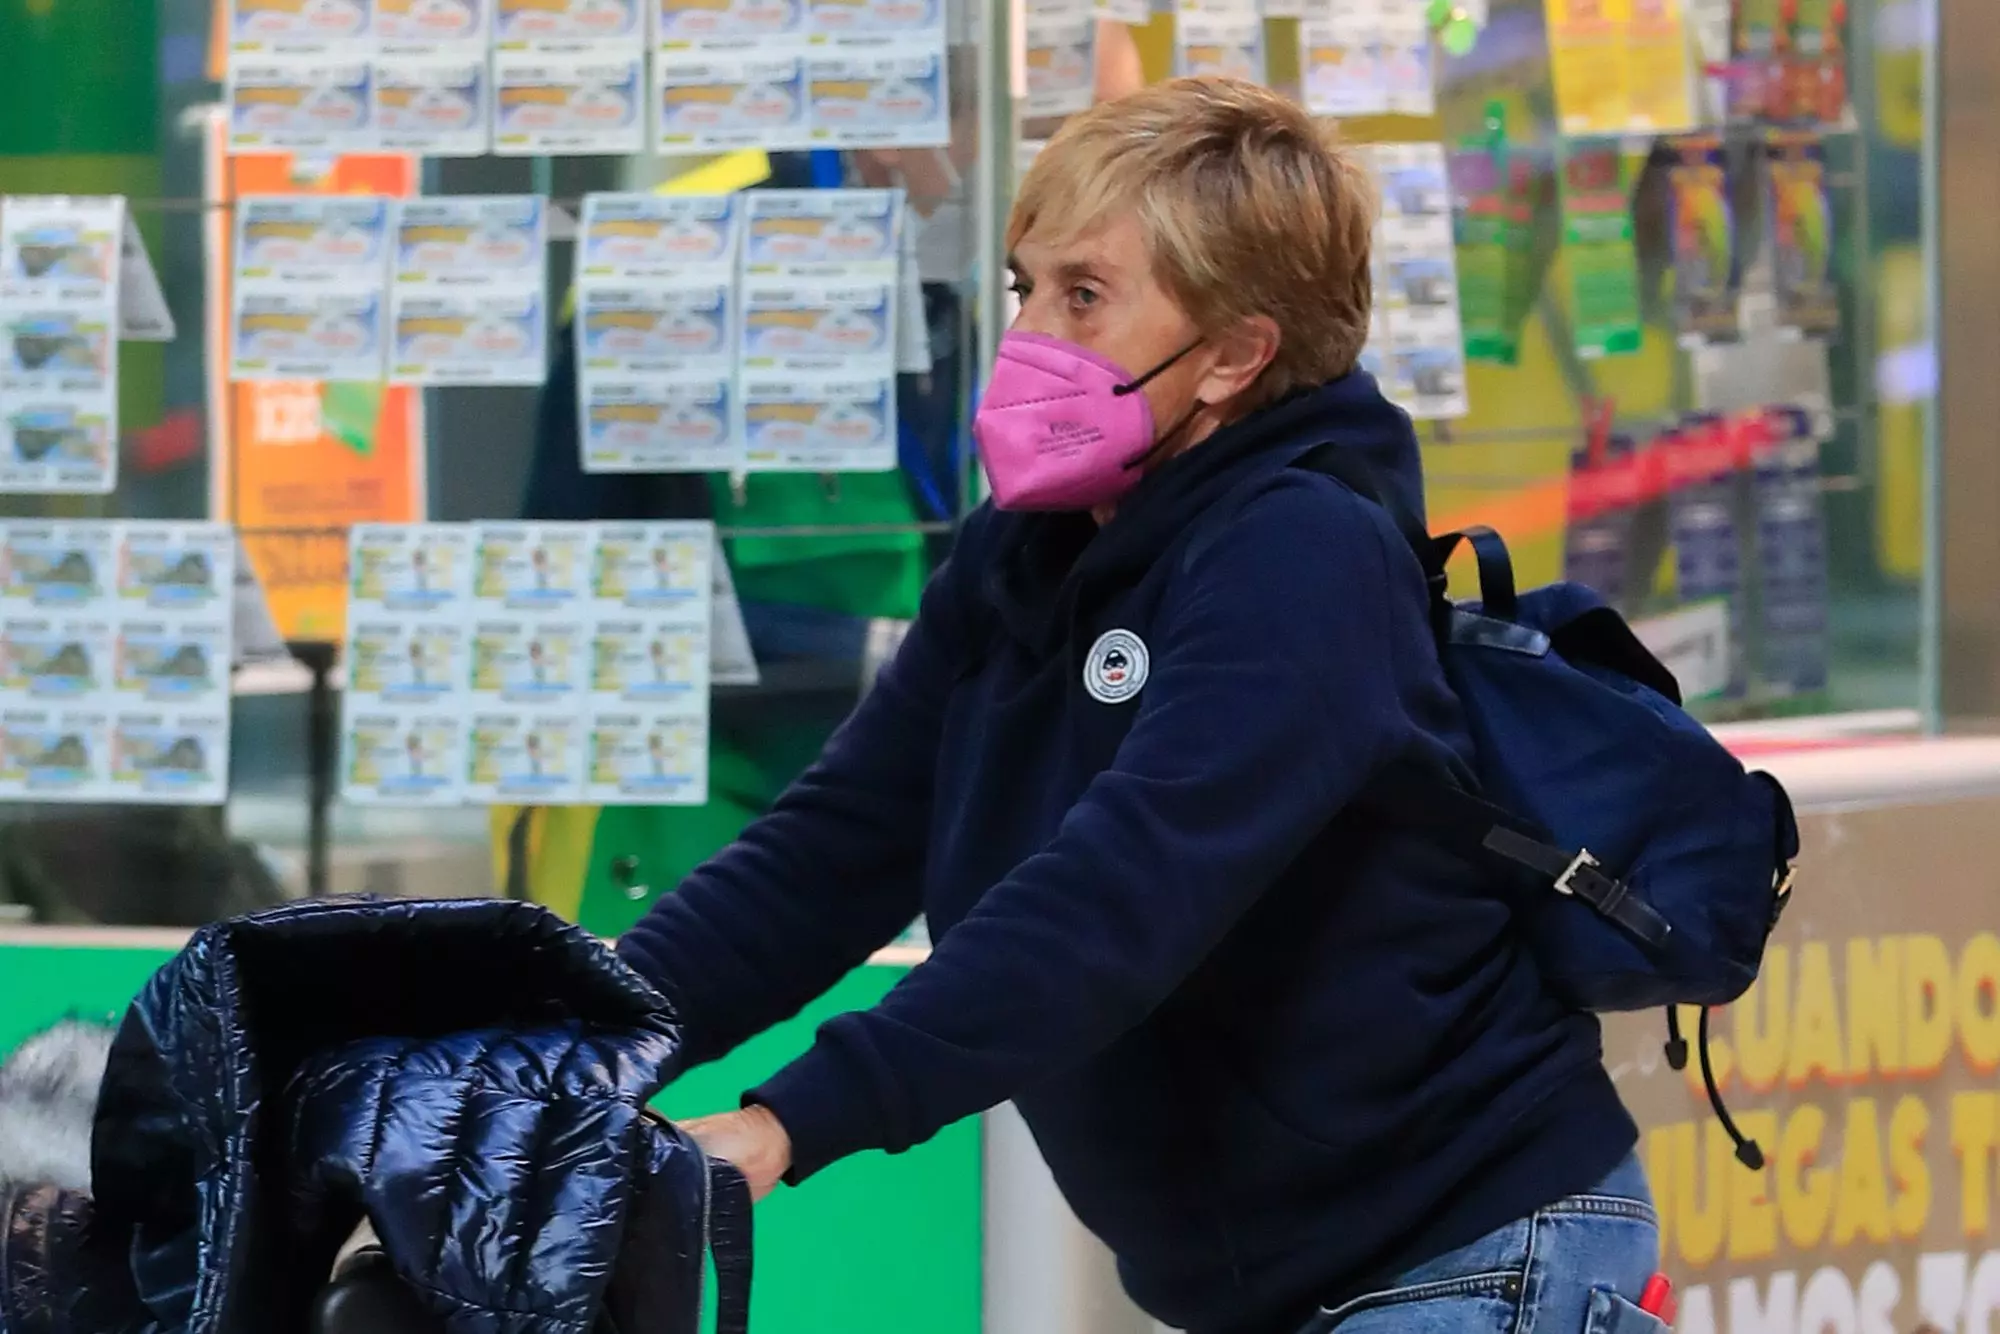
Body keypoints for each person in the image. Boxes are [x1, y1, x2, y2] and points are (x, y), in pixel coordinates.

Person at [621, 78, 1656, 1334]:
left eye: (1085, 296)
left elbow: (1116, 898)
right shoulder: (1024, 550)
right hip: (1276, 1276)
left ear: (1233, 352)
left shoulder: (1302, 556)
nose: (1029, 338)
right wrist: (577, 1029)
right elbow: (838, 842)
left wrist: (793, 1119)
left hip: (1467, 1248)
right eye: (1026, 287)